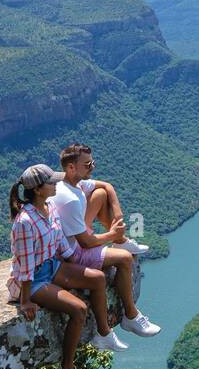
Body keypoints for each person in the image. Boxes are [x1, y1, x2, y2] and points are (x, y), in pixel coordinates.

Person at [7, 163, 123, 369]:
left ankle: (103, 333)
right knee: (79, 309)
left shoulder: (49, 207)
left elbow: (60, 243)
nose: (56, 184)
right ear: (38, 190)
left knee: (98, 278)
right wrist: (26, 300)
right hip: (35, 279)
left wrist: (79, 265)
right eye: (51, 182)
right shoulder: (25, 222)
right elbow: (26, 265)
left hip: (53, 266)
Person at [51, 142, 161, 338]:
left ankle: (121, 240)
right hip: (73, 253)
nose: (92, 166)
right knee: (125, 258)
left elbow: (106, 186)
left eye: (92, 162)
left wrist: (117, 213)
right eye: (87, 164)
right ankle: (131, 316)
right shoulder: (69, 199)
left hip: (76, 237)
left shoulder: (73, 183)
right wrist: (112, 234)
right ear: (71, 167)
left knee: (101, 194)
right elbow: (85, 242)